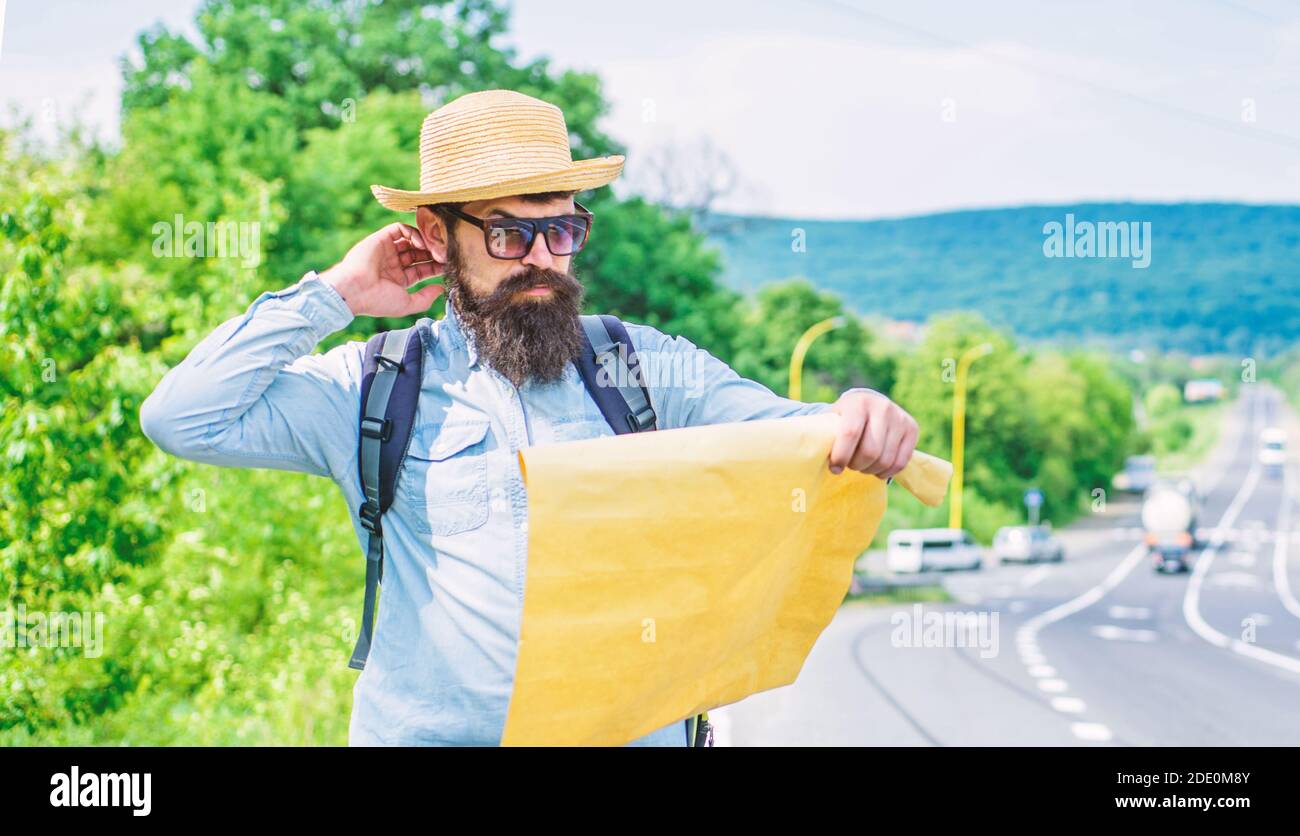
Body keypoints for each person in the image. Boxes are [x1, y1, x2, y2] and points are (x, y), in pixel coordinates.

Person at [139, 89, 919, 746]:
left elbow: (798, 434)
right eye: (509, 232)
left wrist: (856, 412)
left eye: (563, 228)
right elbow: (182, 418)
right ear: (439, 237)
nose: (542, 258)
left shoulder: (642, 369)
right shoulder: (371, 388)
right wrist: (335, 295)